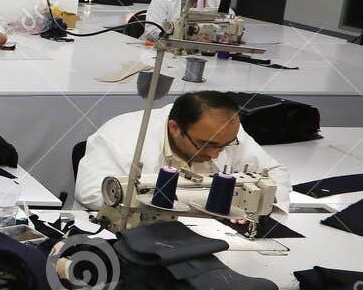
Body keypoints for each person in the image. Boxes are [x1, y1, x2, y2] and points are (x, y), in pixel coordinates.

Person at [75, 90, 292, 214]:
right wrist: (195, 203)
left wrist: (260, 207)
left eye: (224, 146)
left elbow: (274, 172)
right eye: (205, 144)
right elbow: (90, 193)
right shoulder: (122, 137)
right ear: (174, 128)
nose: (216, 154)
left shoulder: (225, 133)